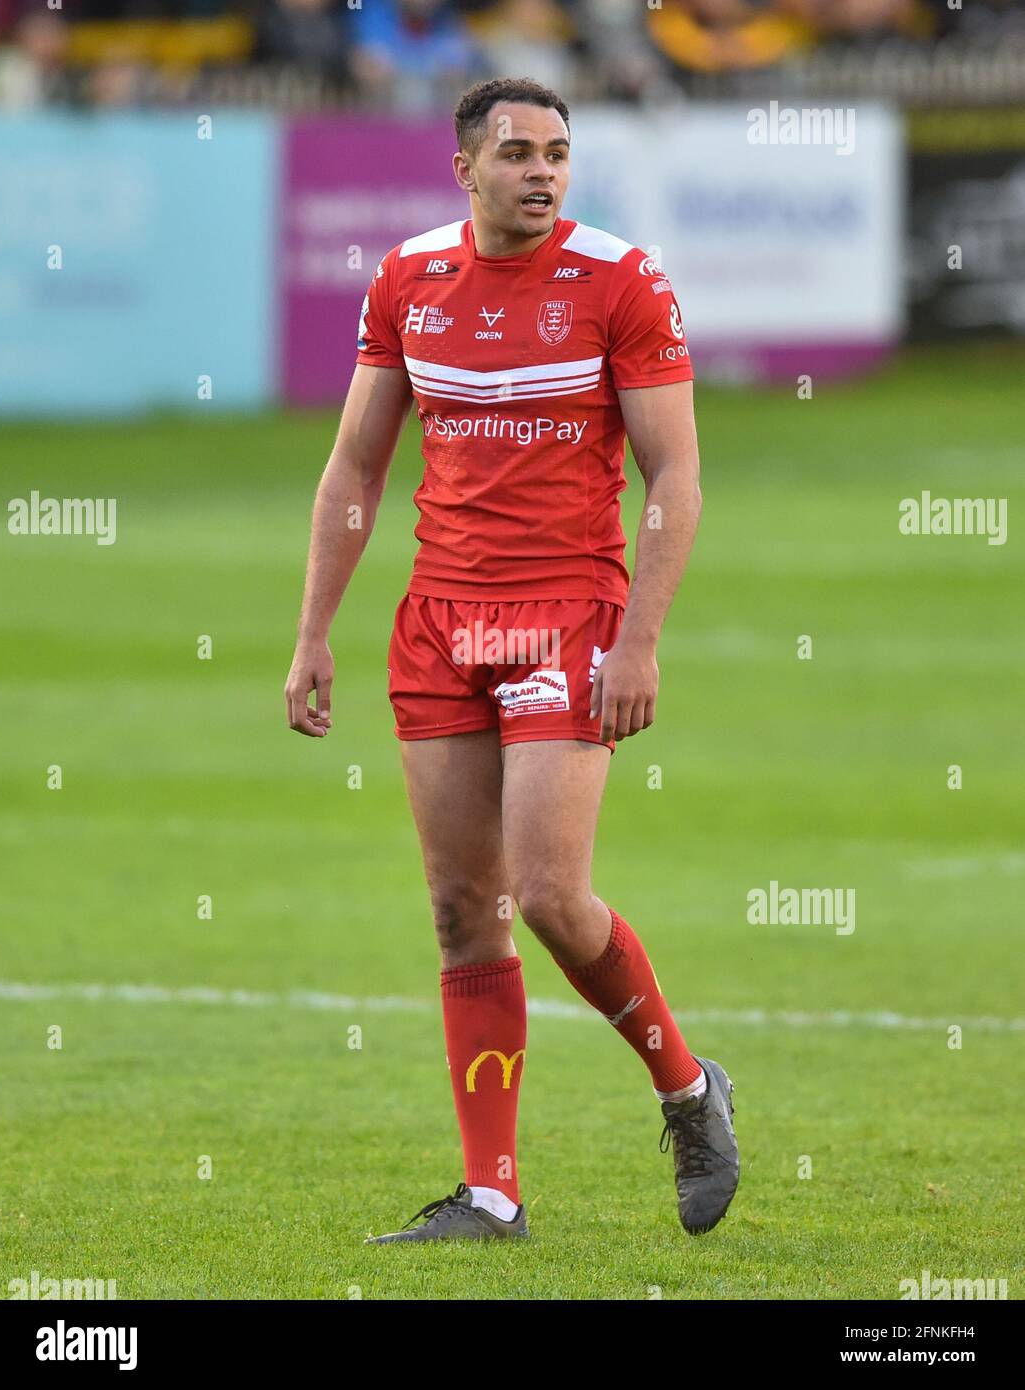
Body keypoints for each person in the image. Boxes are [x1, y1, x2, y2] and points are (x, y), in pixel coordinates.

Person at [284, 76, 739, 1242]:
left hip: (566, 615)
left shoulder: (621, 281)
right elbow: (354, 469)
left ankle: (686, 1089)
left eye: (557, 153)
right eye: (519, 153)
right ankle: (491, 1194)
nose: (542, 172)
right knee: (458, 911)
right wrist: (311, 632)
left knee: (543, 892)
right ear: (464, 169)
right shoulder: (408, 279)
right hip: (440, 622)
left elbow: (675, 480)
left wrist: (639, 636)